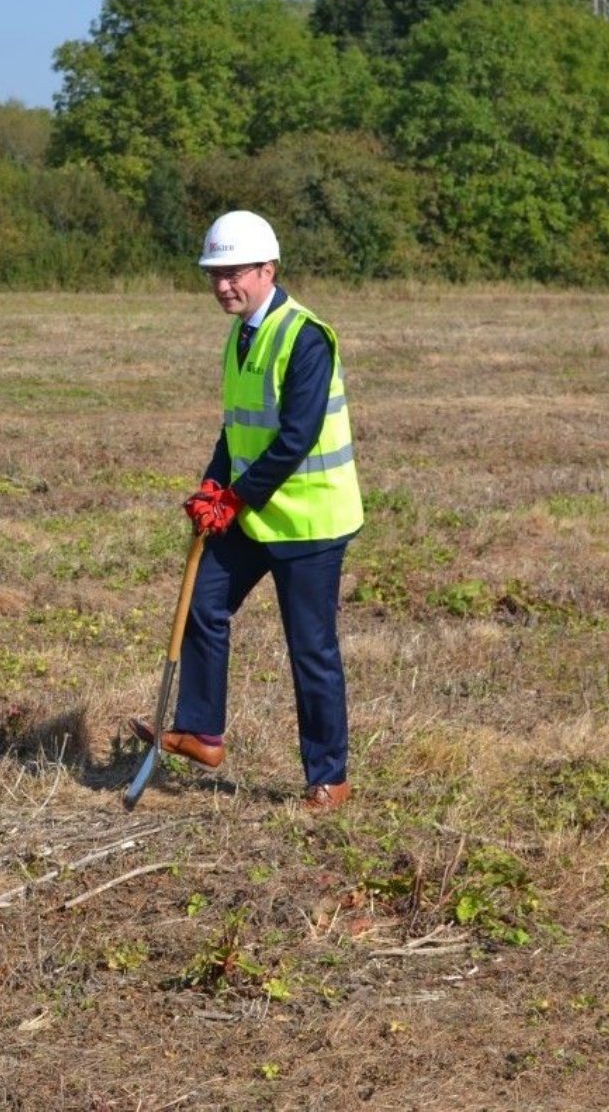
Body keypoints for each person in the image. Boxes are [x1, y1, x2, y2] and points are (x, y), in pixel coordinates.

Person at [132, 210, 363, 812]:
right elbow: (238, 430)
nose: (222, 286)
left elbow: (297, 437)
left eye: (234, 273)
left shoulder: (305, 336)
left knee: (310, 647)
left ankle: (328, 778)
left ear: (269, 269)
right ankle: (203, 733)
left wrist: (235, 496)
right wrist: (213, 487)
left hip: (311, 521)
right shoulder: (239, 337)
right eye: (214, 275)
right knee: (204, 605)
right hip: (253, 515)